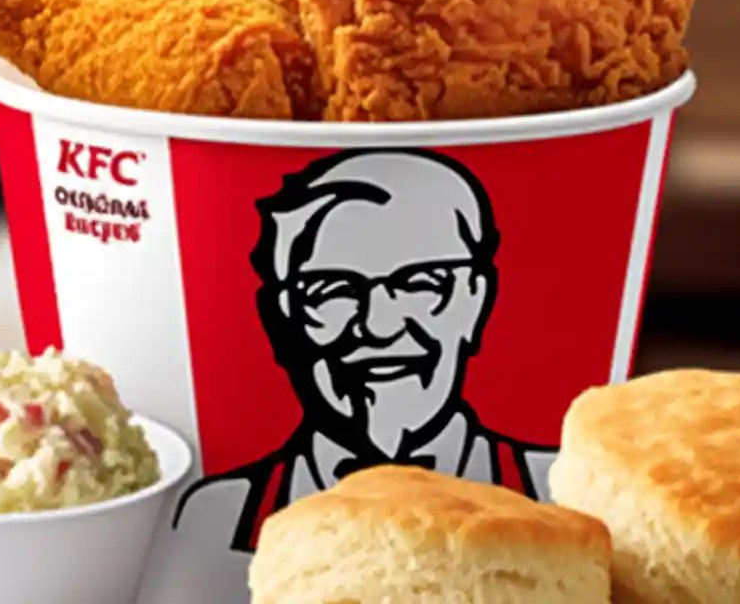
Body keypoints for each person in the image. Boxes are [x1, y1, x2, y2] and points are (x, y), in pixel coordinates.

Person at [173, 150, 555, 552]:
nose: (379, 325)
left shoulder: (563, 492)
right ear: (282, 320)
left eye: (423, 283)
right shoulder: (217, 514)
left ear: (476, 300)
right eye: (332, 291)